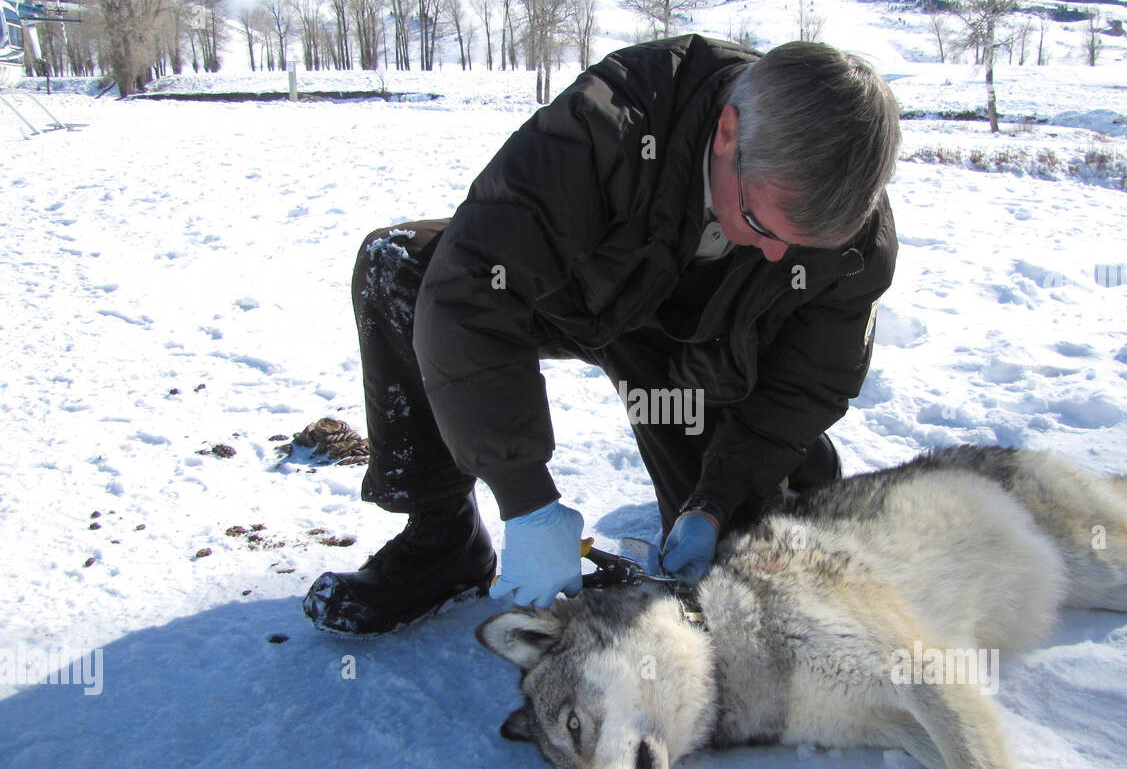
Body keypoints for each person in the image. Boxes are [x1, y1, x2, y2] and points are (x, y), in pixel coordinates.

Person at [303, 33, 901, 635]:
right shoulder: (615, 119)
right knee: (400, 266)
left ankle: (781, 476)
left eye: (797, 246)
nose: (775, 253)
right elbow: (474, 280)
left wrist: (716, 501)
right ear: (727, 133)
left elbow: (804, 386)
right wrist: (527, 502)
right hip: (581, 294)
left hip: (699, 359)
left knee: (735, 583)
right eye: (756, 221)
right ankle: (443, 537)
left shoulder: (852, 237)